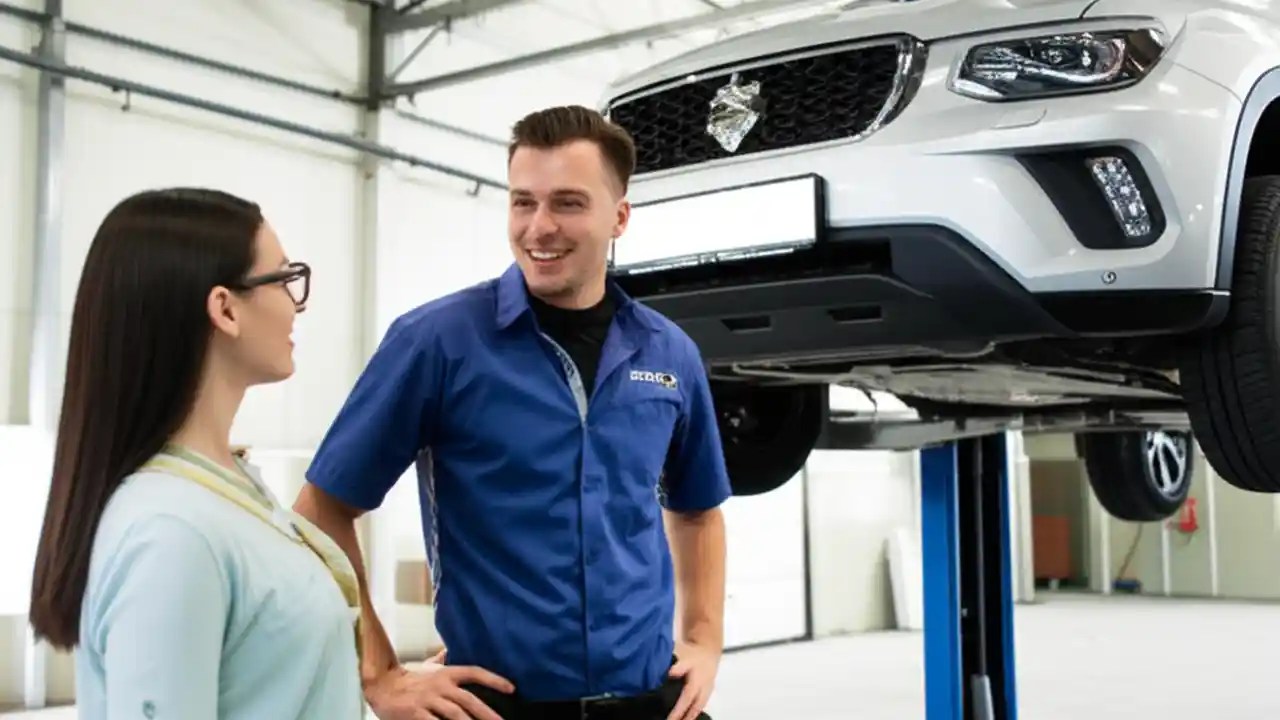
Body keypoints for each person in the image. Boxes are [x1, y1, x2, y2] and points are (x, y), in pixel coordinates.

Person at [295, 105, 732, 720]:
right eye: (523, 202)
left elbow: (698, 512)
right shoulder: (438, 342)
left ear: (620, 217)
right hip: (495, 707)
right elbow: (320, 510)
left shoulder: (669, 352)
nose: (539, 226)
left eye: (568, 203)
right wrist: (379, 672)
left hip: (648, 699)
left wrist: (704, 639)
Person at [26, 188, 365, 720]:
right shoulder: (170, 531)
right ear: (225, 309)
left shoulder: (223, 491)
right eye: (281, 278)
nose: (294, 302)